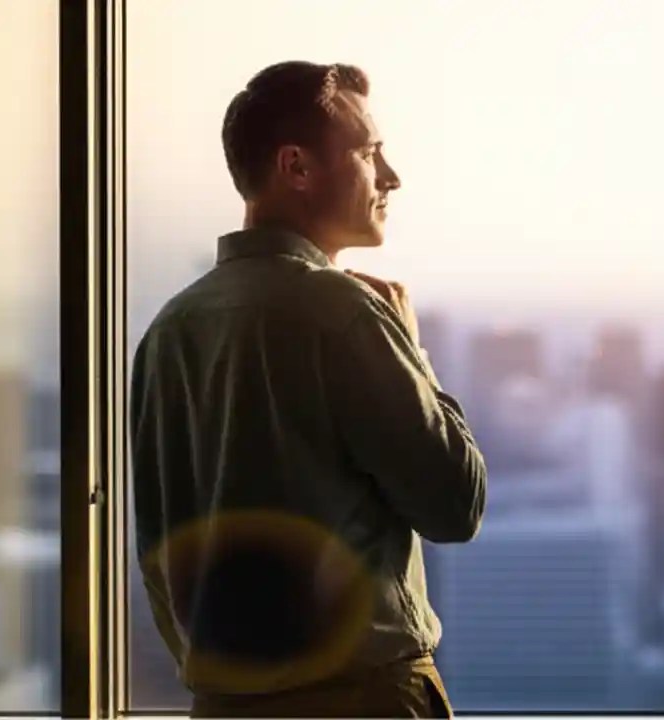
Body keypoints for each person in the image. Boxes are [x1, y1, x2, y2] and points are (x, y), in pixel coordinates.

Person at [129, 60, 487, 718]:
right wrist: (412, 347)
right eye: (369, 153)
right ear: (296, 167)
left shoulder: (167, 333)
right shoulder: (343, 314)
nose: (391, 177)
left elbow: (156, 547)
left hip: (222, 703)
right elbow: (455, 504)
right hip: (363, 699)